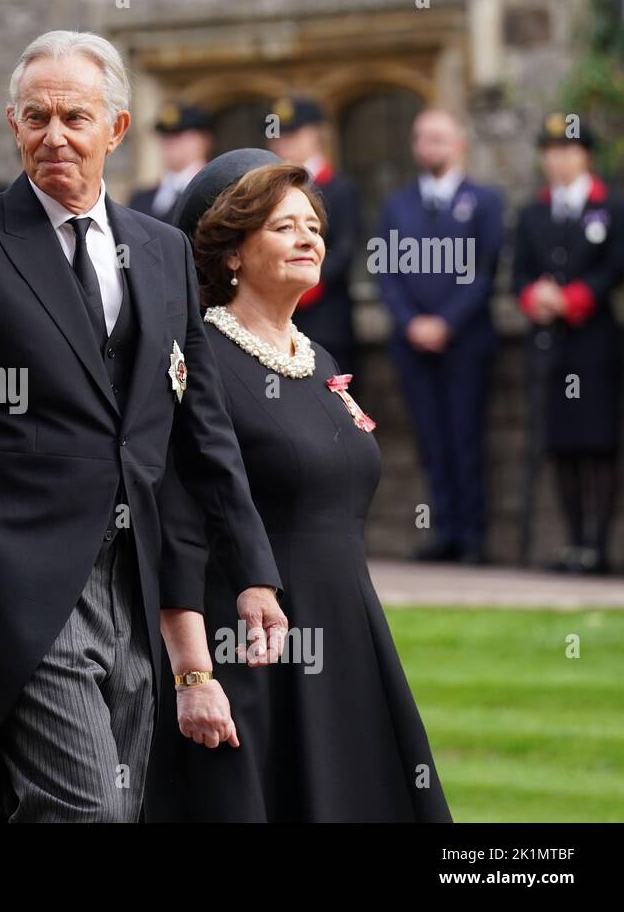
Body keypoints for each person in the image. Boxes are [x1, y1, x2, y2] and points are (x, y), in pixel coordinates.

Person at [0, 31, 284, 823]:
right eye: (35, 117)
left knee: (115, 807)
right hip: (17, 585)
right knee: (86, 812)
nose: (54, 136)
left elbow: (200, 428)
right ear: (11, 124)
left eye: (74, 116)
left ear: (117, 128)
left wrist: (253, 569)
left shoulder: (163, 251)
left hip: (135, 584)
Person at [145, 150, 452, 822]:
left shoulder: (323, 364)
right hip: (250, 648)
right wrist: (194, 676)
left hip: (347, 638)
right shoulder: (196, 365)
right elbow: (178, 529)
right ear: (230, 250)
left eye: (312, 224)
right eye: (284, 227)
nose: (309, 236)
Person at [379, 109, 503, 564]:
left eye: (437, 138)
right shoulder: (398, 205)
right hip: (411, 345)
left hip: (465, 342)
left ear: (459, 144)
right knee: (429, 439)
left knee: (465, 437)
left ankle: (473, 537)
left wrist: (445, 323)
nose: (428, 146)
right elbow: (387, 274)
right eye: (421, 138)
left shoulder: (485, 201)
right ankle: (442, 533)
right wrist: (411, 321)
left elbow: (485, 273)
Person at [513, 114, 623, 575]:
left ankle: (599, 543)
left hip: (594, 343)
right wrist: (534, 297)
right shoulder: (533, 212)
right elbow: (519, 272)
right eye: (549, 150)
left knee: (597, 442)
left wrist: (573, 298)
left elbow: (613, 267)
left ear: (585, 155)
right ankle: (575, 541)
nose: (556, 159)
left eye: (566, 149)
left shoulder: (610, 206)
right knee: (561, 444)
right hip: (549, 345)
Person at [267, 96, 361, 373]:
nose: (284, 142)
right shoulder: (269, 193)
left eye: (293, 134)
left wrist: (297, 286)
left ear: (315, 134)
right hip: (277, 317)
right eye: (278, 135)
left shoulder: (340, 189)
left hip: (324, 318)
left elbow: (343, 252)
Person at [129, 101, 212, 223]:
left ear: (203, 140)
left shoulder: (216, 194)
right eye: (165, 136)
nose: (170, 143)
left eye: (178, 135)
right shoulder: (141, 198)